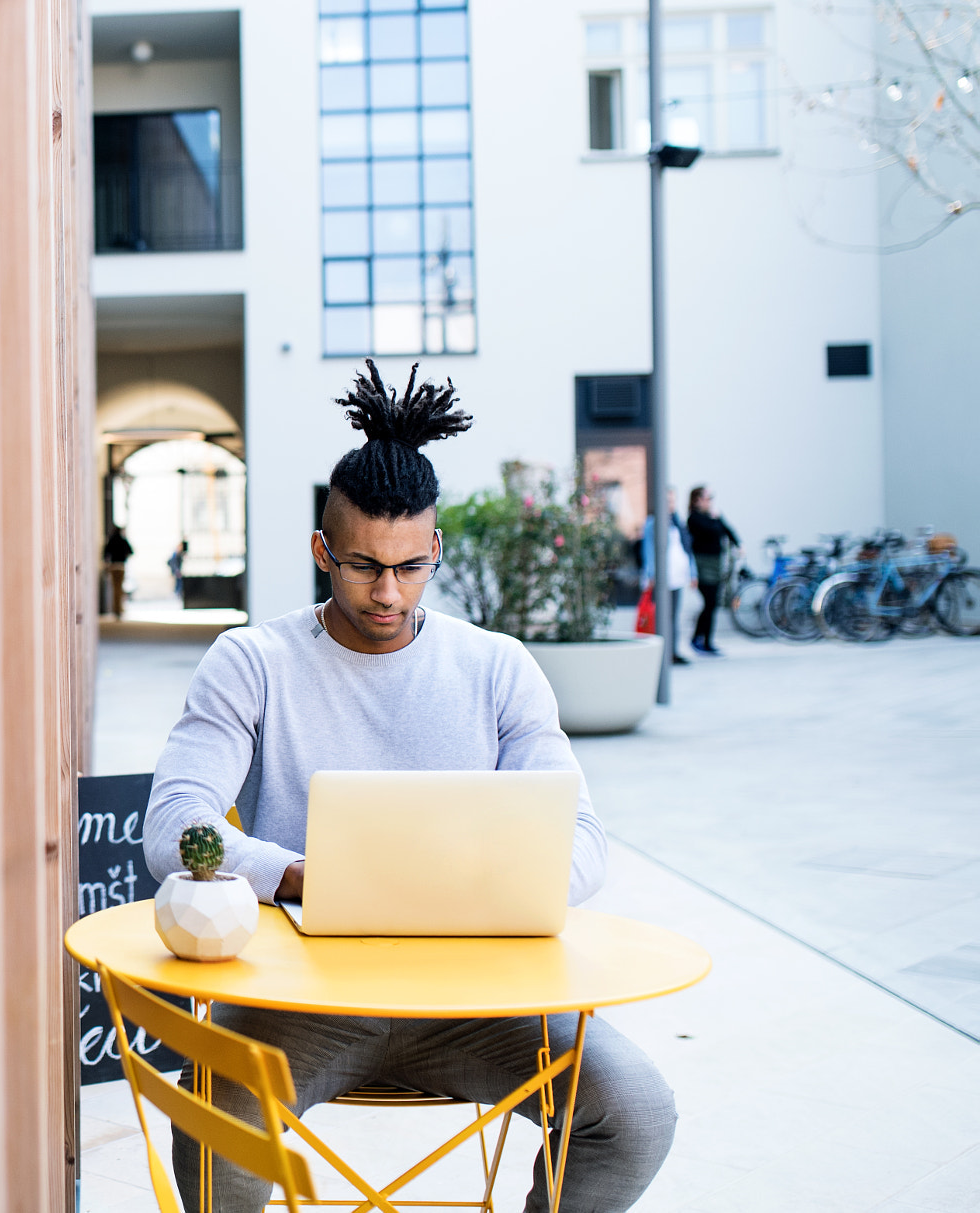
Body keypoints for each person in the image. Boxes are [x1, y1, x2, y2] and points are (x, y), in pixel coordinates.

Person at [144, 361, 675, 1213]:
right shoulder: (254, 661)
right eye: (360, 566)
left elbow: (583, 840)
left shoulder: (497, 667)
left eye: (408, 566)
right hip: (302, 999)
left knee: (636, 1111)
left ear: (435, 551)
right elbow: (175, 823)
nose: (387, 592)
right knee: (209, 1115)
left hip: (482, 1001)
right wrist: (296, 873)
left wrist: (484, 889)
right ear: (322, 550)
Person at [640, 492, 693, 665]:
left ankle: (673, 652)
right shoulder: (653, 523)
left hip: (677, 577)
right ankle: (660, 653)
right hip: (662, 579)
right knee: (661, 616)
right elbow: (648, 550)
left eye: (672, 500)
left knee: (673, 617)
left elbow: (686, 548)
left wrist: (693, 573)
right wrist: (651, 574)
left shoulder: (677, 522)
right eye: (667, 501)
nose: (671, 504)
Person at [685, 487, 739, 656]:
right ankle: (701, 640)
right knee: (710, 603)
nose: (710, 502)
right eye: (707, 498)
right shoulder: (694, 519)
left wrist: (739, 543)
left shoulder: (712, 516)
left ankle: (703, 640)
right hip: (703, 566)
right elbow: (714, 530)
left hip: (715, 565)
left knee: (711, 603)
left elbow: (727, 530)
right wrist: (716, 519)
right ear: (697, 500)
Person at [103, 525, 135, 619]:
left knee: (115, 587)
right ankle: (119, 609)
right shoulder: (123, 540)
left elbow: (105, 553)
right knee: (119, 588)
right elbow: (131, 551)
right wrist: (124, 556)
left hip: (113, 566)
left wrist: (107, 562)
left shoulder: (111, 540)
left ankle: (115, 609)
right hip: (121, 566)